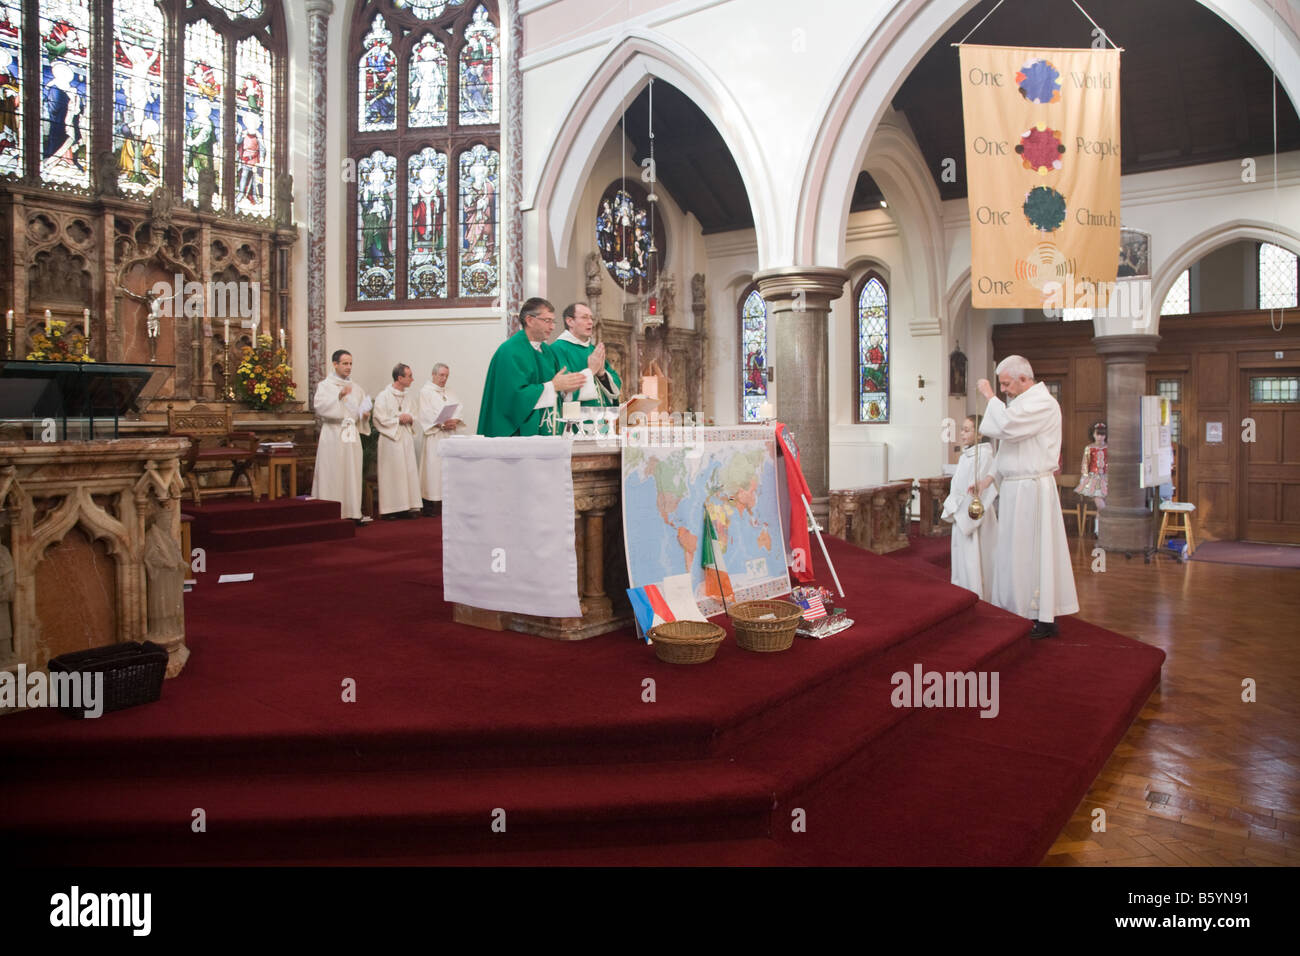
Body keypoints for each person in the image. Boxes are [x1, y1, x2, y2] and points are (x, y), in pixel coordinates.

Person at [976, 355, 1079, 639]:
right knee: (1012, 553)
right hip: (1014, 488)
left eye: (1007, 384)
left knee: (1031, 554)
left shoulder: (1042, 403)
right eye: (1001, 386)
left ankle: (1040, 616)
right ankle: (1016, 610)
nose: (1004, 389)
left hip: (1031, 489)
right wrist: (990, 478)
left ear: (1024, 379)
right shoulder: (1020, 404)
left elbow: (1007, 427)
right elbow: (1008, 446)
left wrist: (989, 395)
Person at [477, 298, 586, 437]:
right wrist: (553, 386)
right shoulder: (511, 351)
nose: (552, 327)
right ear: (529, 320)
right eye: (547, 321)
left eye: (553, 321)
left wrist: (566, 389)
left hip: (547, 433)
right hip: (516, 436)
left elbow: (555, 389)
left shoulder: (547, 352)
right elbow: (513, 398)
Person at [941, 414, 998, 602]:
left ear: (979, 434)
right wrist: (954, 507)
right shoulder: (967, 455)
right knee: (962, 561)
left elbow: (978, 491)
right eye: (962, 429)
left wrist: (962, 512)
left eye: (967, 430)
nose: (962, 434)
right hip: (960, 514)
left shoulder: (985, 456)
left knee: (977, 560)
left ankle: (979, 598)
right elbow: (957, 487)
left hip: (974, 517)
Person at [312, 349, 371, 523]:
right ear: (335, 364)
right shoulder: (325, 385)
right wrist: (338, 396)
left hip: (351, 433)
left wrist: (364, 415)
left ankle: (352, 512)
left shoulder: (357, 388)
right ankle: (329, 511)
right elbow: (320, 407)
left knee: (351, 471)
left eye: (351, 363)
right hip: (333, 433)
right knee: (333, 471)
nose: (348, 367)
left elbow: (360, 411)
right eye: (345, 363)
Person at [548, 302, 621, 411]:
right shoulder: (557, 349)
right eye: (584, 318)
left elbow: (616, 384)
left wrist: (602, 374)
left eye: (591, 318)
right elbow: (566, 389)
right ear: (570, 321)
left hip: (601, 419)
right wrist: (590, 371)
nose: (590, 322)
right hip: (577, 422)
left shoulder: (592, 349)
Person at [373, 362, 423, 519]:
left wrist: (410, 418)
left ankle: (407, 507)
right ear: (399, 378)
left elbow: (416, 415)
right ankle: (391, 510)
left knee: (406, 472)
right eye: (410, 376)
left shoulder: (408, 397)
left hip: (405, 438)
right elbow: (378, 418)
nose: (412, 379)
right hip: (390, 439)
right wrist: (397, 419)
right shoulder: (384, 396)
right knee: (392, 473)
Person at [418, 362, 465, 515]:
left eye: (446, 376)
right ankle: (430, 503)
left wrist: (455, 420)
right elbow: (425, 413)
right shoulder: (425, 392)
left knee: (447, 469)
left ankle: (447, 501)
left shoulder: (449, 391)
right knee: (433, 470)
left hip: (448, 435)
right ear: (433, 375)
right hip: (435, 436)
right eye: (441, 375)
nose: (444, 379)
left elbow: (459, 407)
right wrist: (441, 424)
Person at [1075, 420, 1108, 508]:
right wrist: (1084, 477)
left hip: (1106, 478)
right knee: (1100, 504)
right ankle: (1104, 519)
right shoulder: (1089, 448)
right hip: (1094, 478)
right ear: (1093, 434)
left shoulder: (1108, 448)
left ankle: (1099, 521)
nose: (1100, 437)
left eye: (1103, 435)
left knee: (1104, 504)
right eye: (1098, 434)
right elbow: (1085, 463)